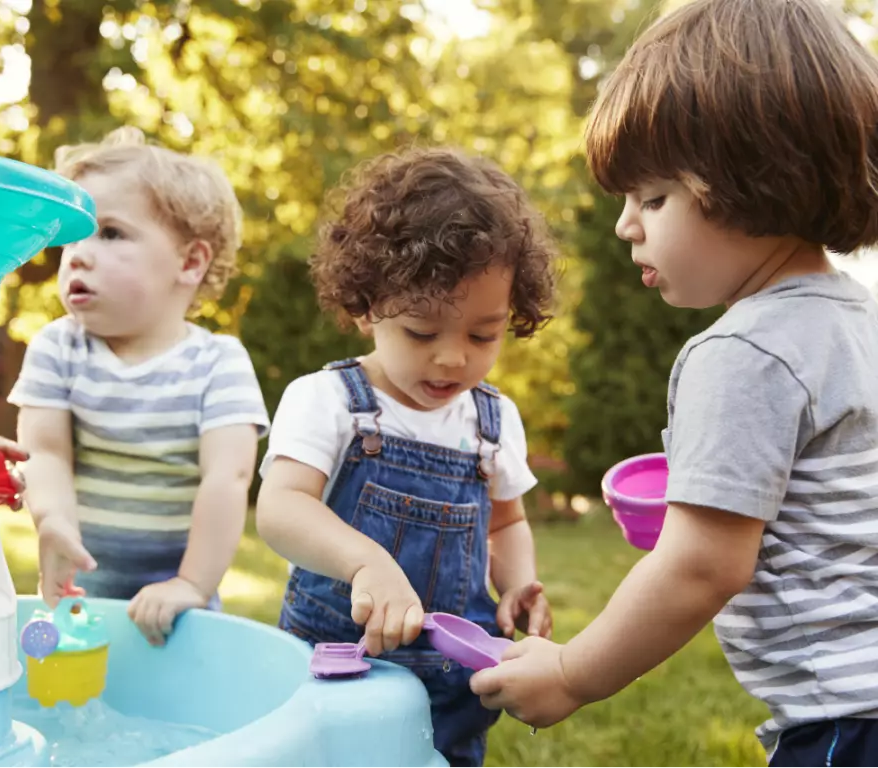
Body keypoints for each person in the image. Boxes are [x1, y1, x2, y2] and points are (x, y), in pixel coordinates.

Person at [468, 0, 878, 764]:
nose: (627, 224)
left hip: (850, 725)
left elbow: (702, 564)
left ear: (759, 181)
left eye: (653, 198)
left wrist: (571, 673)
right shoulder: (859, 322)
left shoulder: (744, 351)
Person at [257, 146, 557, 767]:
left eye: (483, 334)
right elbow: (282, 508)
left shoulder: (492, 421)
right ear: (367, 307)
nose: (453, 359)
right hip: (338, 669)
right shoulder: (329, 400)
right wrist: (366, 563)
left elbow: (506, 520)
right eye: (422, 332)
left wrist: (518, 584)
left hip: (450, 686)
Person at [8, 127, 269, 646]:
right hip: (82, 590)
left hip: (178, 605)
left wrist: (191, 584)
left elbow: (228, 476)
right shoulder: (58, 348)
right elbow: (46, 453)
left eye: (109, 233)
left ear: (190, 262)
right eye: (72, 237)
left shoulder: (217, 362)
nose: (78, 255)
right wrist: (52, 519)